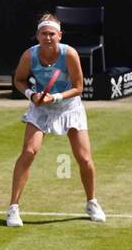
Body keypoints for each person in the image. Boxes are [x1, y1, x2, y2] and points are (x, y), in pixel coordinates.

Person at [6, 14, 105, 227]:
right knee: (29, 152)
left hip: (69, 107)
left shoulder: (69, 54)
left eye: (52, 34)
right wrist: (32, 95)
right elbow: (19, 80)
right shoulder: (29, 56)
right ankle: (13, 208)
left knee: (84, 158)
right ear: (38, 36)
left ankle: (91, 202)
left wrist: (56, 97)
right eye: (44, 34)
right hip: (40, 107)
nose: (48, 37)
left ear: (59, 35)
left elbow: (79, 87)